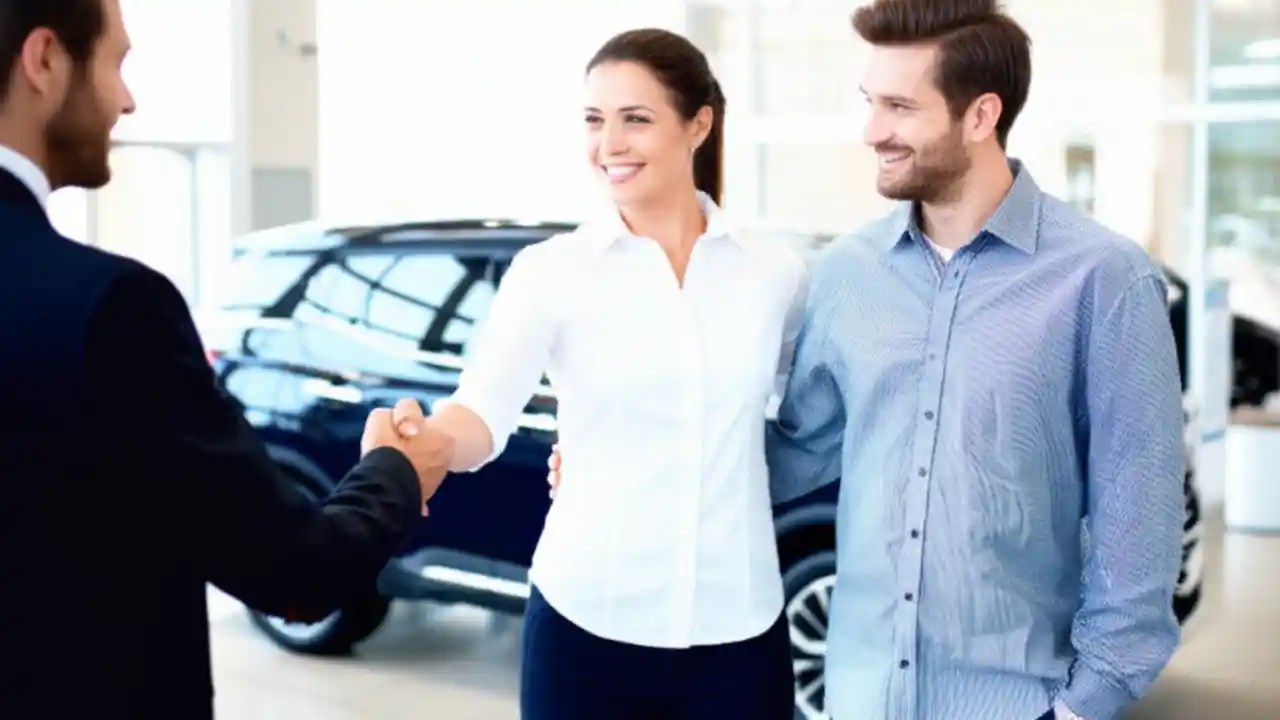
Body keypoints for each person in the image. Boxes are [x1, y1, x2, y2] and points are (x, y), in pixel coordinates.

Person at [552, 2, 1187, 719]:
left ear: (980, 116)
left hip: (1014, 703)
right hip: (858, 698)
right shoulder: (847, 274)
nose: (872, 131)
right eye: (869, 102)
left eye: (898, 107)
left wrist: (1080, 708)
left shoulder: (1104, 281)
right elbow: (792, 456)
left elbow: (1140, 525)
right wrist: (633, 461)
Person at [0, 1, 453, 717]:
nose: (127, 98)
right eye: (116, 62)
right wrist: (397, 470)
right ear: (45, 59)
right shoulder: (111, 307)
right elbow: (297, 572)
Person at [394, 27, 804, 720]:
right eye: (594, 120)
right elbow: (482, 413)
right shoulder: (551, 273)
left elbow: (801, 417)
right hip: (588, 624)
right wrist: (428, 445)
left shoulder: (775, 275)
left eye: (635, 119)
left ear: (697, 125)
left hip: (740, 630)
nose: (608, 143)